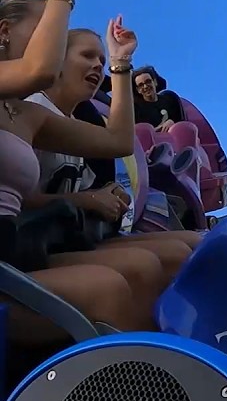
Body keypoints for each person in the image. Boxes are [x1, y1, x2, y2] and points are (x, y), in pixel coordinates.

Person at [0, 0, 165, 342]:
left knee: (140, 270)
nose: (54, 44)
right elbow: (38, 69)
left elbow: (117, 140)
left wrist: (120, 66)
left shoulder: (26, 115)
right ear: (4, 32)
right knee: (106, 289)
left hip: (15, 248)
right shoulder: (28, 80)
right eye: (46, 29)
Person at [23, 28, 203, 277]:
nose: (97, 65)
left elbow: (120, 145)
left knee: (192, 245)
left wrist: (107, 196)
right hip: (27, 242)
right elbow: (16, 200)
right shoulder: (33, 108)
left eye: (102, 61)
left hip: (60, 235)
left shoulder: (77, 123)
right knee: (150, 264)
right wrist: (88, 200)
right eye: (87, 56)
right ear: (57, 59)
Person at [133, 65, 185, 131]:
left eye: (148, 81)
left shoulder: (170, 99)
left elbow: (182, 122)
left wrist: (172, 121)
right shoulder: (136, 110)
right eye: (141, 85)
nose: (145, 86)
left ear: (155, 82)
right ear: (138, 90)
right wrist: (160, 128)